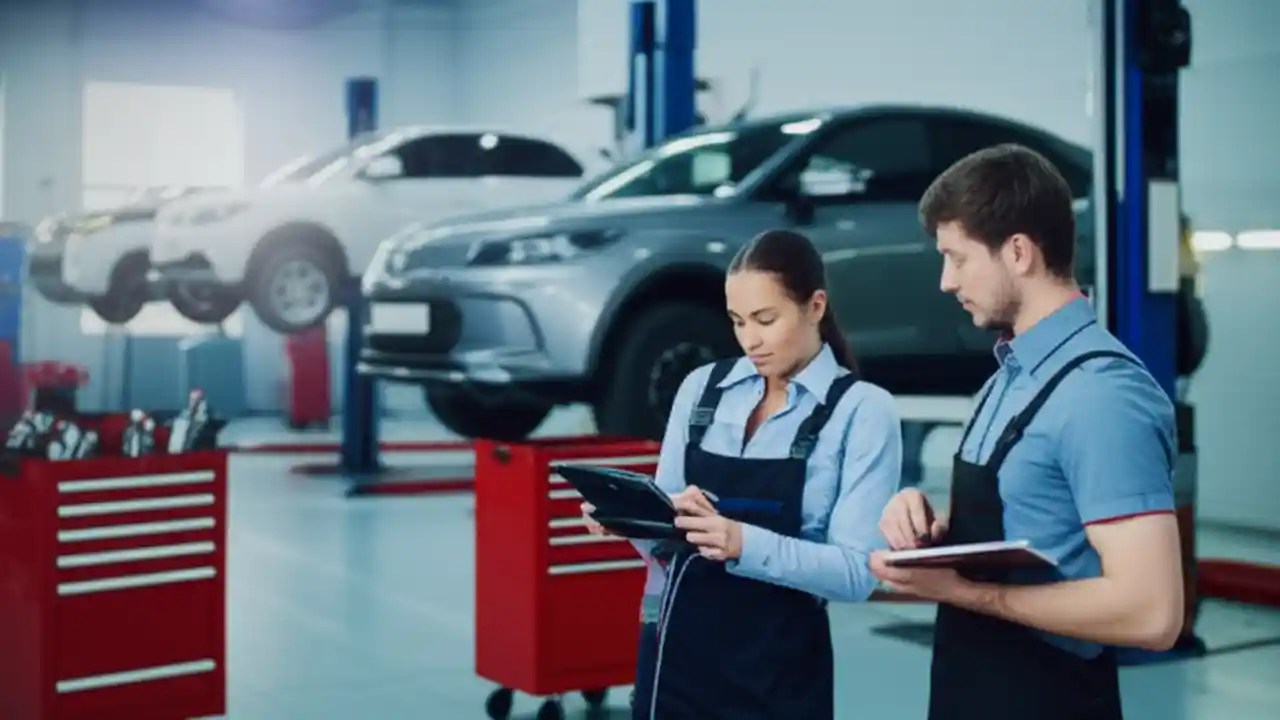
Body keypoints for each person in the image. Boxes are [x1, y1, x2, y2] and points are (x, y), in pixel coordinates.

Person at [870, 144, 1184, 720]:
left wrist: (968, 593)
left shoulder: (1101, 395)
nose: (945, 281)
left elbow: (1152, 613)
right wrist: (933, 532)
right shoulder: (1007, 378)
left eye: (957, 258)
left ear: (1017, 252)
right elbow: (1033, 522)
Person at [583, 229, 902, 720]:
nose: (750, 340)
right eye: (736, 321)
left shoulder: (862, 411)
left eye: (765, 319)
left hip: (779, 676)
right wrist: (631, 519)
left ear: (816, 306)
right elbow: (668, 549)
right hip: (677, 660)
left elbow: (857, 575)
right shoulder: (701, 390)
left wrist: (741, 543)